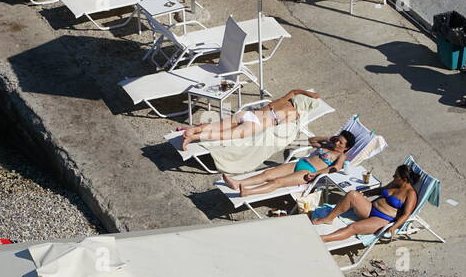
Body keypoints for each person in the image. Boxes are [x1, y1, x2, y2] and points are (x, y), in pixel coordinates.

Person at [178, 89, 321, 149]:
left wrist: (306, 92)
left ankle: (194, 129)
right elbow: (283, 129)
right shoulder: (295, 114)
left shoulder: (284, 100)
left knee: (218, 125)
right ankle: (193, 137)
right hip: (256, 125)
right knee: (222, 135)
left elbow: (294, 91)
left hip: (250, 114)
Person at [222, 132, 355, 196]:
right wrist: (327, 138)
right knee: (267, 174)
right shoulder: (327, 145)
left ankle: (248, 192)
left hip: (308, 172)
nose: (337, 143)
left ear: (346, 148)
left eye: (340, 143)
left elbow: (334, 168)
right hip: (300, 163)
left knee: (277, 182)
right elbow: (311, 141)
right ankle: (238, 183)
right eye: (337, 140)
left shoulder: (341, 155)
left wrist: (316, 174)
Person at [312, 165, 418, 243]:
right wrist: (364, 193)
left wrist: (394, 227)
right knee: (352, 194)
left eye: (396, 176)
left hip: (382, 219)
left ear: (404, 180)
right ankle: (328, 218)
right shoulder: (395, 183)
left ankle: (323, 239)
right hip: (370, 208)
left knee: (353, 227)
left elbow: (406, 214)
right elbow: (381, 190)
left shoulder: (411, 194)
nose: (393, 176)